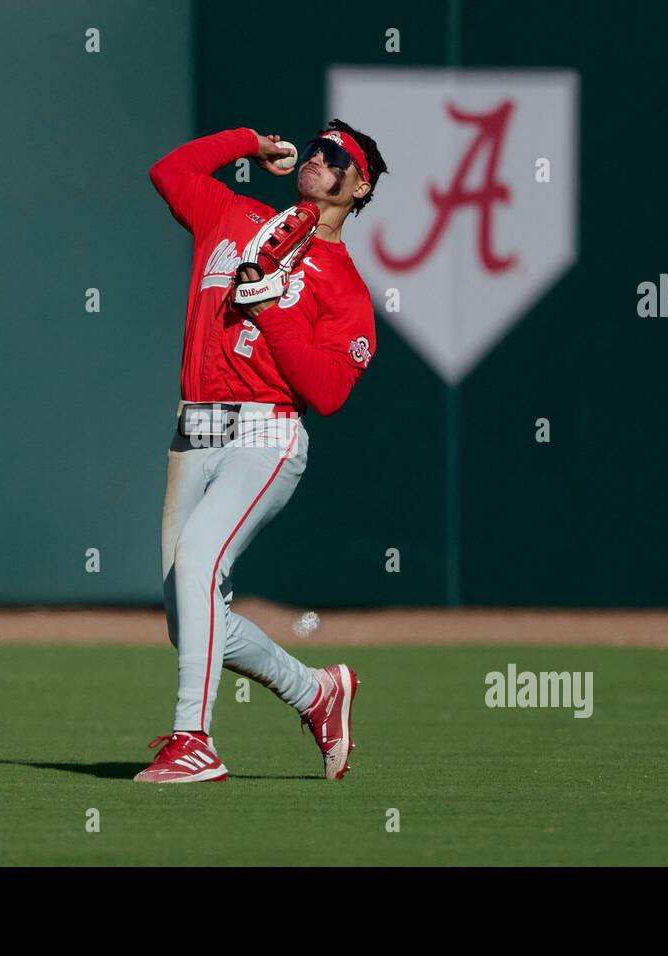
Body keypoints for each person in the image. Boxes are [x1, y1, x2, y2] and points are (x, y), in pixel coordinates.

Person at [137, 121, 389, 783]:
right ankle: (315, 692)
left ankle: (194, 740)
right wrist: (248, 141)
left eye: (337, 157)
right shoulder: (235, 213)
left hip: (266, 433)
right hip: (194, 429)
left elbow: (328, 391)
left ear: (359, 186)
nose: (317, 157)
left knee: (198, 557)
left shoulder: (345, 288)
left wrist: (271, 307)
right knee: (190, 619)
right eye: (315, 146)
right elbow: (169, 172)